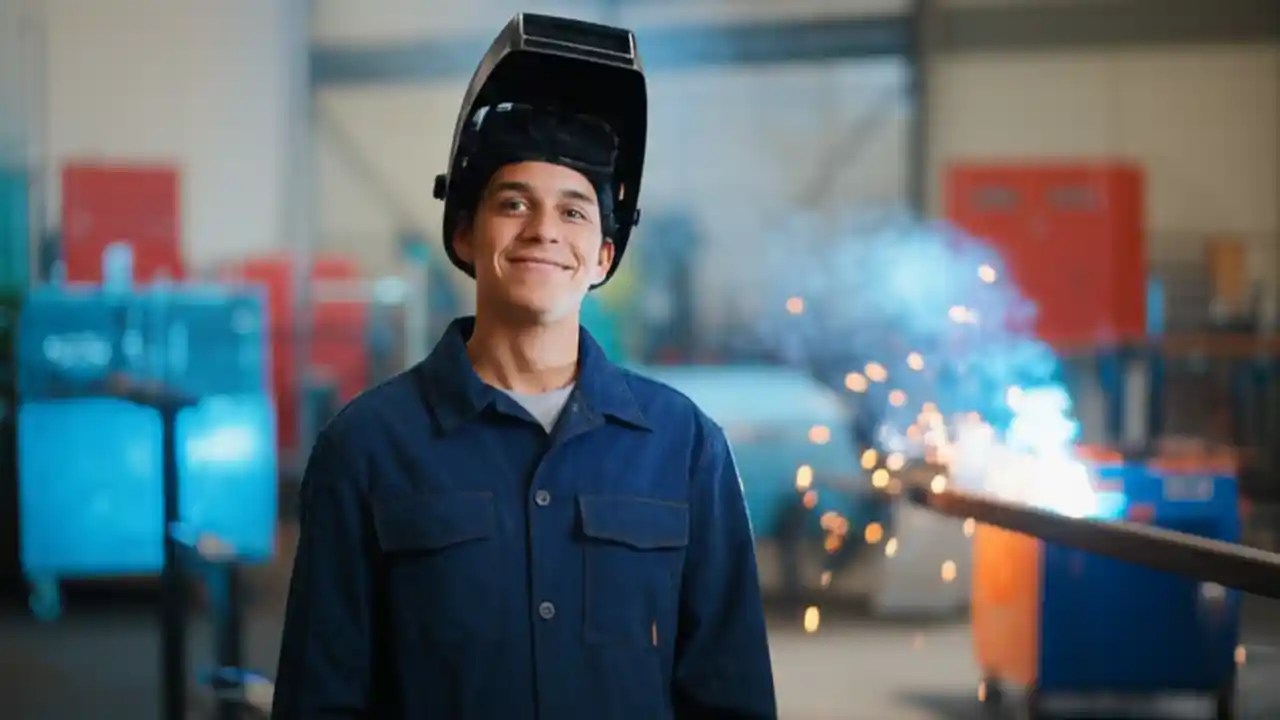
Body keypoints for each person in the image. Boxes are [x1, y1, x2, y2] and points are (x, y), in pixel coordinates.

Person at [272, 13, 776, 720]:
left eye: (575, 213)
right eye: (514, 204)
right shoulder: (367, 450)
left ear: (602, 256)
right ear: (465, 233)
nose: (544, 230)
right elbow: (320, 700)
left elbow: (732, 695)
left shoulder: (685, 447)